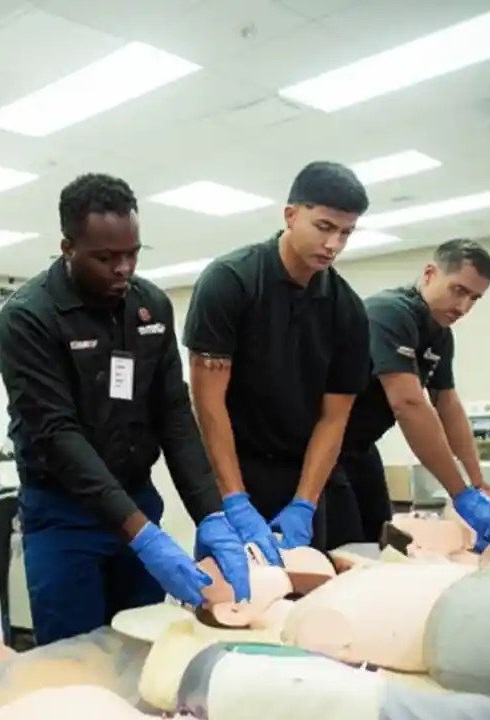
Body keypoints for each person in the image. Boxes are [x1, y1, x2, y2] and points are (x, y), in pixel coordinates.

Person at [0, 173, 251, 647]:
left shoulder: (149, 305)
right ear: (68, 247)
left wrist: (210, 514)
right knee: (76, 664)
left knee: (144, 654)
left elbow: (173, 413)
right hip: (64, 516)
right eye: (106, 257)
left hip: (137, 500)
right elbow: (57, 435)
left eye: (132, 253)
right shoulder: (28, 318)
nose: (123, 268)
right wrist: (143, 537)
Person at [184, 161, 372, 556]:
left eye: (346, 233)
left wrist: (304, 503)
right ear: (291, 215)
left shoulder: (348, 310)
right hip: (233, 466)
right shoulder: (230, 281)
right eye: (324, 227)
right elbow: (209, 404)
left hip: (304, 474)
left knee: (302, 600)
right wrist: (234, 499)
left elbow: (334, 417)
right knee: (229, 602)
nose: (334, 244)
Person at [335, 239, 490, 549]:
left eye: (474, 298)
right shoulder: (388, 313)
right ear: (430, 274)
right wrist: (461, 494)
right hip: (319, 447)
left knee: (380, 538)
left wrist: (477, 483)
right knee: (346, 544)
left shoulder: (440, 334)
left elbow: (447, 404)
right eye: (458, 290)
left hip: (359, 446)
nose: (464, 307)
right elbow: (409, 405)